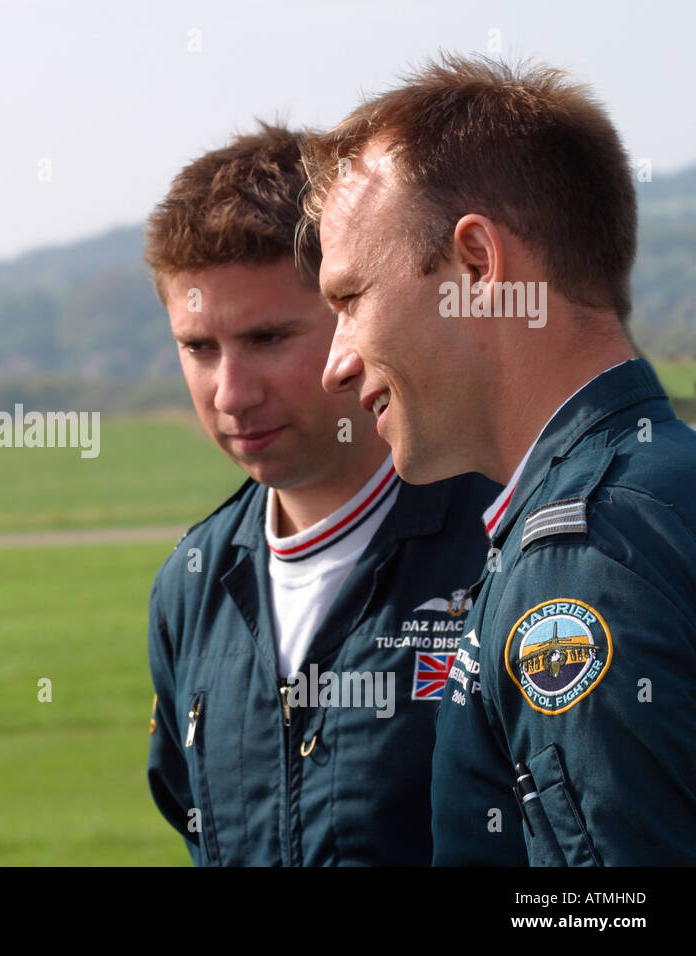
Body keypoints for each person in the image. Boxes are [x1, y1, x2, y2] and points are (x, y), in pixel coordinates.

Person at [304, 54, 696, 865]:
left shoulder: (586, 553)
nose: (335, 363)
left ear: (477, 266)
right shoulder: (660, 484)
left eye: (350, 299)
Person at [143, 124, 498, 865]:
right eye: (199, 348)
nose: (231, 394)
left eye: (269, 338)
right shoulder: (190, 584)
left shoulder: (508, 538)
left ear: (353, 312)